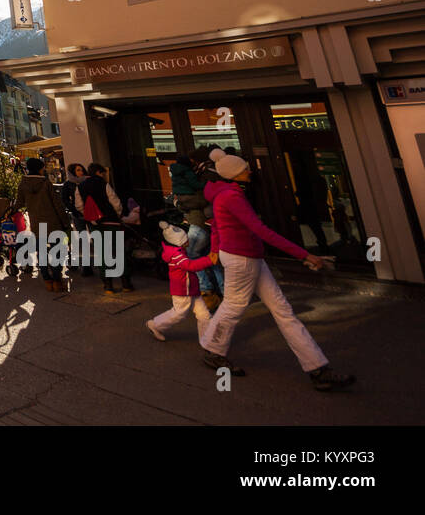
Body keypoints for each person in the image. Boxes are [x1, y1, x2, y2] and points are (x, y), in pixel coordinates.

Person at [199, 149, 353, 390]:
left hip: (247, 256)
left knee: (281, 309)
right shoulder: (232, 196)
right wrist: (305, 254)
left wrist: (217, 248)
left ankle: (317, 368)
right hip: (243, 258)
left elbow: (218, 224)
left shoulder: (224, 194)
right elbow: (261, 230)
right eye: (245, 169)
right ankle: (212, 348)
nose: (249, 171)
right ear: (235, 174)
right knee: (235, 306)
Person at [145, 221, 217, 342]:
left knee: (204, 315)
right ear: (178, 242)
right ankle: (154, 324)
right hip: (182, 290)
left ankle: (207, 340)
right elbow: (190, 266)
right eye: (185, 240)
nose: (188, 241)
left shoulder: (178, 252)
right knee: (179, 314)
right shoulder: (176, 255)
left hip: (191, 289)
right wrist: (209, 260)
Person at [171, 155, 223, 309]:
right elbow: (201, 197)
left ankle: (206, 289)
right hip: (205, 225)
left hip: (197, 225)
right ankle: (223, 289)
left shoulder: (178, 179)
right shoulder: (196, 181)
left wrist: (179, 203)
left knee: (193, 258)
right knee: (211, 260)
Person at [15, 157, 69, 291]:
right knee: (58, 252)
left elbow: (19, 204)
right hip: (53, 222)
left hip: (37, 224)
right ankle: (57, 279)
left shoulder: (23, 184)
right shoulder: (46, 183)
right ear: (40, 168)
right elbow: (57, 205)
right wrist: (66, 223)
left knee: (42, 253)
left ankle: (47, 281)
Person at [77, 163, 132, 293]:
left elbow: (79, 206)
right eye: (102, 173)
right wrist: (117, 215)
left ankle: (108, 285)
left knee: (103, 253)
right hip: (111, 222)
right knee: (118, 251)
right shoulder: (104, 184)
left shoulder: (80, 187)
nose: (103, 175)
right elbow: (115, 202)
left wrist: (91, 218)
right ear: (98, 172)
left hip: (95, 224)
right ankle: (126, 283)